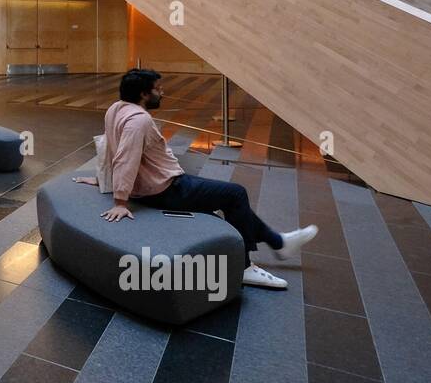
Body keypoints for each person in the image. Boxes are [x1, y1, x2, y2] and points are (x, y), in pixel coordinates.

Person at [93, 68, 317, 289]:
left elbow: (108, 146)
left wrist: (103, 178)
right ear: (144, 94)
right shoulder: (138, 120)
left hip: (155, 184)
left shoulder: (115, 109)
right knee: (235, 193)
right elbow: (125, 157)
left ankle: (279, 243)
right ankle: (243, 267)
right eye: (158, 89)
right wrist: (120, 201)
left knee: (231, 200)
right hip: (165, 190)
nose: (162, 93)